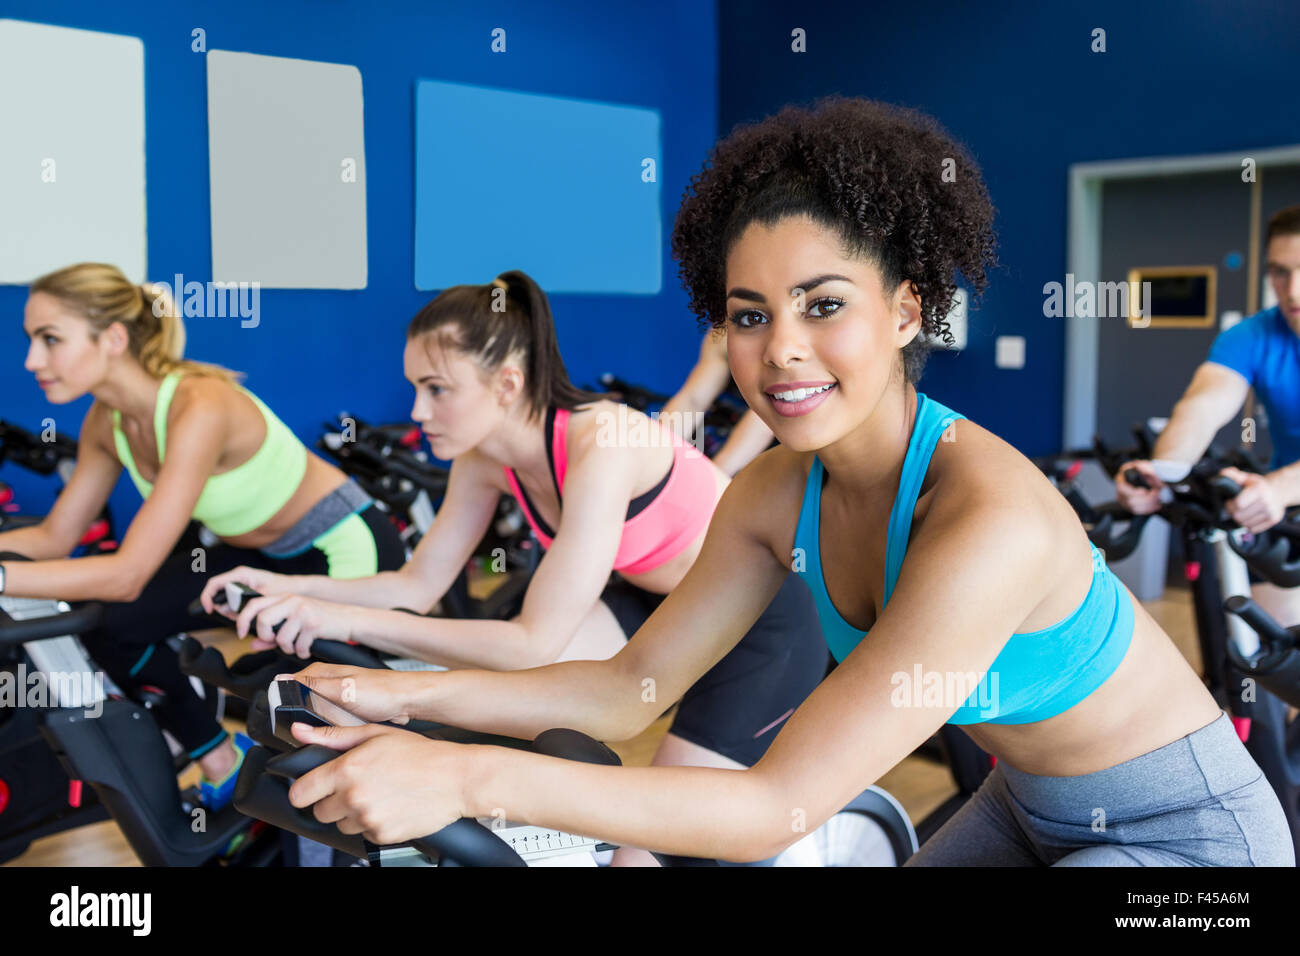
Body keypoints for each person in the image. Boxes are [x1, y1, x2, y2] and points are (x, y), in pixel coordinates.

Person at [272, 98, 1292, 866]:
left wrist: (458, 771)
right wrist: (387, 693)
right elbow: (629, 690)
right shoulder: (771, 495)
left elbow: (772, 806)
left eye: (823, 304)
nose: (782, 351)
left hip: (1188, 840)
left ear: (906, 309)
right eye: (750, 314)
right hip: (1023, 802)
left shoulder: (988, 516)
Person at [198, 270, 829, 866]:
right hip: (661, 607)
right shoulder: (484, 460)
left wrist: (340, 616)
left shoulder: (600, 442)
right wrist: (286, 588)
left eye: (437, 390)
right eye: (417, 388)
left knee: (646, 849)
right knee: (476, 714)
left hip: (761, 627)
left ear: (505, 384)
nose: (417, 412)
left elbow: (532, 644)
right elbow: (415, 586)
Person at [0, 263, 404, 810]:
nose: (32, 360)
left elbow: (127, 573)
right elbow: (53, 536)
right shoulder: (107, 421)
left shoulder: (198, 404)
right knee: (115, 624)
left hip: (341, 548)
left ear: (113, 338)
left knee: (310, 716)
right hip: (257, 556)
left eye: (50, 339)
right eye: (31, 340)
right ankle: (219, 756)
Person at [1116, 204, 1300, 627]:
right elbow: (1203, 406)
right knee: (1273, 655)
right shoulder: (1253, 335)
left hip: (1286, 493)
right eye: (1279, 272)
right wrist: (1163, 473)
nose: (1292, 290)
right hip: (1290, 513)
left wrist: (1278, 487)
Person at [662, 329, 774, 475]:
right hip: (726, 423)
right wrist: (655, 456)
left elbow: (765, 419)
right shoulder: (725, 331)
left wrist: (713, 480)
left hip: (776, 439)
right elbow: (692, 400)